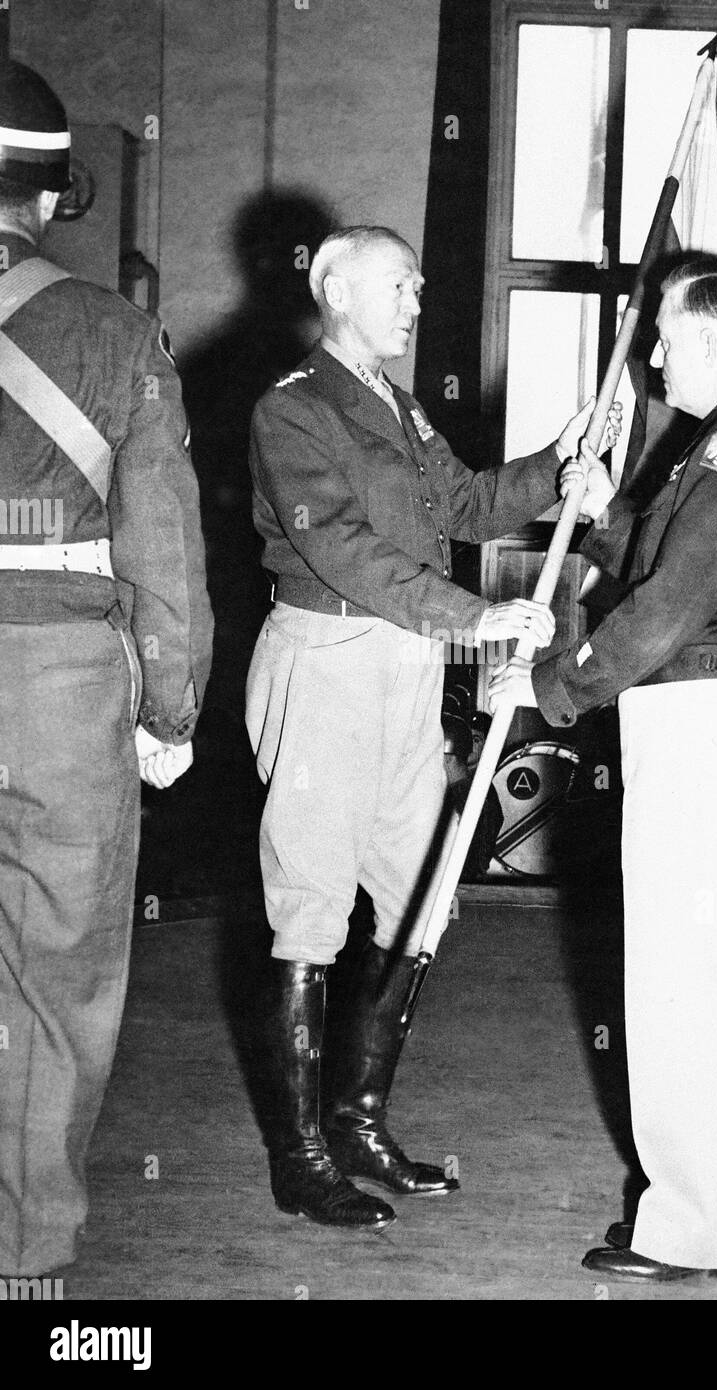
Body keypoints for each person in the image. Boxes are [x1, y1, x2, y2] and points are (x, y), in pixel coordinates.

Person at [246, 224, 616, 1230]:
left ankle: (360, 1120)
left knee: (421, 894)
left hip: (405, 673)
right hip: (329, 661)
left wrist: (561, 462)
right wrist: (473, 617)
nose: (416, 300)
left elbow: (464, 502)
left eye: (416, 283)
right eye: (400, 284)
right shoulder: (295, 410)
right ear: (338, 289)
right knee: (312, 903)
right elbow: (347, 552)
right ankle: (303, 1153)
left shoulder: (399, 410)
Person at [489, 260, 717, 1282]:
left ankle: (689, 1231)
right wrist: (600, 513)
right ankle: (715, 1214)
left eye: (670, 340)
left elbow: (661, 614)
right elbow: (675, 559)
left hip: (705, 722)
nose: (653, 357)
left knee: (683, 989)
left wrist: (544, 687)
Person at [0, 61, 213, 1277]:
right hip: (62, 683)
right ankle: (23, 1262)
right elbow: (165, 551)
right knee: (53, 979)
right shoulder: (118, 333)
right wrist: (168, 707)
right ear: (53, 195)